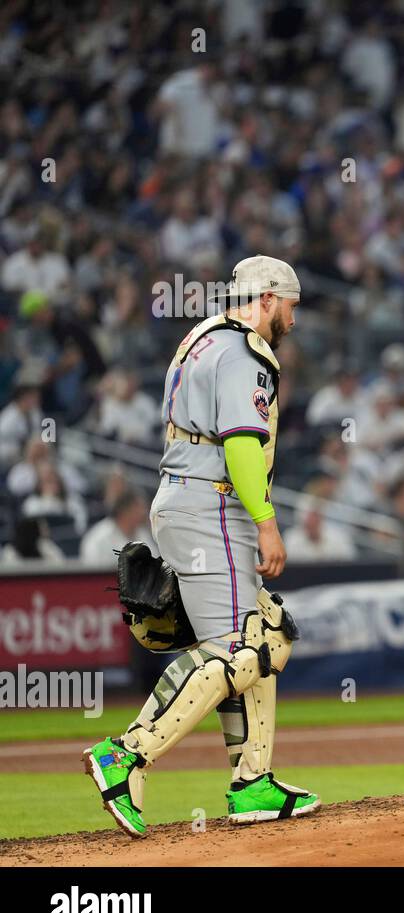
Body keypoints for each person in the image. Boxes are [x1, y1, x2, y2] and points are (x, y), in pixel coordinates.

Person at [83, 256, 319, 839]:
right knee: (241, 645)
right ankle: (126, 754)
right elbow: (242, 443)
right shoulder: (244, 353)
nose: (293, 314)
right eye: (289, 302)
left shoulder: (200, 338)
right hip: (213, 505)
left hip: (190, 499)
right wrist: (266, 521)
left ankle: (253, 782)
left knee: (266, 633)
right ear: (266, 298)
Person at [79, 489, 155, 566]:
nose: (144, 513)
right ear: (125, 511)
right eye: (140, 508)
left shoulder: (143, 533)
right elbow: (92, 570)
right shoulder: (98, 538)